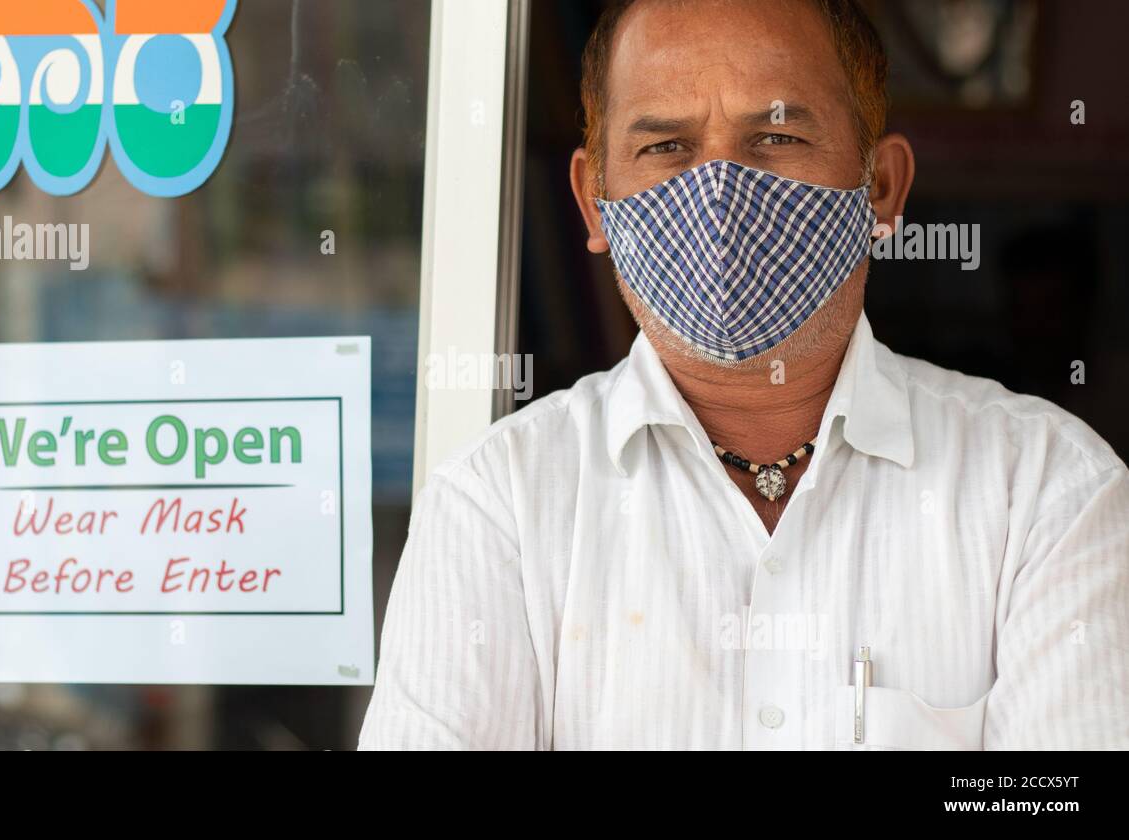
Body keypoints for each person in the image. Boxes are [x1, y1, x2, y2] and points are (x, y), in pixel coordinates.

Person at [359, 0, 1129, 749]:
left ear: (881, 190)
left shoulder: (1044, 491)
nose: (720, 199)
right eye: (667, 147)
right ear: (595, 206)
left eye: (777, 137)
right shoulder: (498, 506)